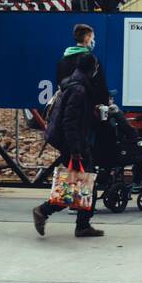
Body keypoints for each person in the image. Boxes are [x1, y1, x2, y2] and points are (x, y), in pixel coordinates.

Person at [33, 53, 103, 238]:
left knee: (82, 182)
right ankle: (45, 211)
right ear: (92, 69)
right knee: (81, 184)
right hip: (73, 143)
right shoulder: (79, 90)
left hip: (72, 142)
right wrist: (75, 150)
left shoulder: (72, 84)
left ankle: (81, 223)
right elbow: (70, 122)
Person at [57, 23, 111, 111]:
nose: (93, 41)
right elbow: (100, 85)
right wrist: (105, 103)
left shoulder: (63, 59)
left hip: (66, 106)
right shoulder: (92, 60)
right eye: (92, 38)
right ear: (87, 38)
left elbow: (60, 83)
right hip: (85, 108)